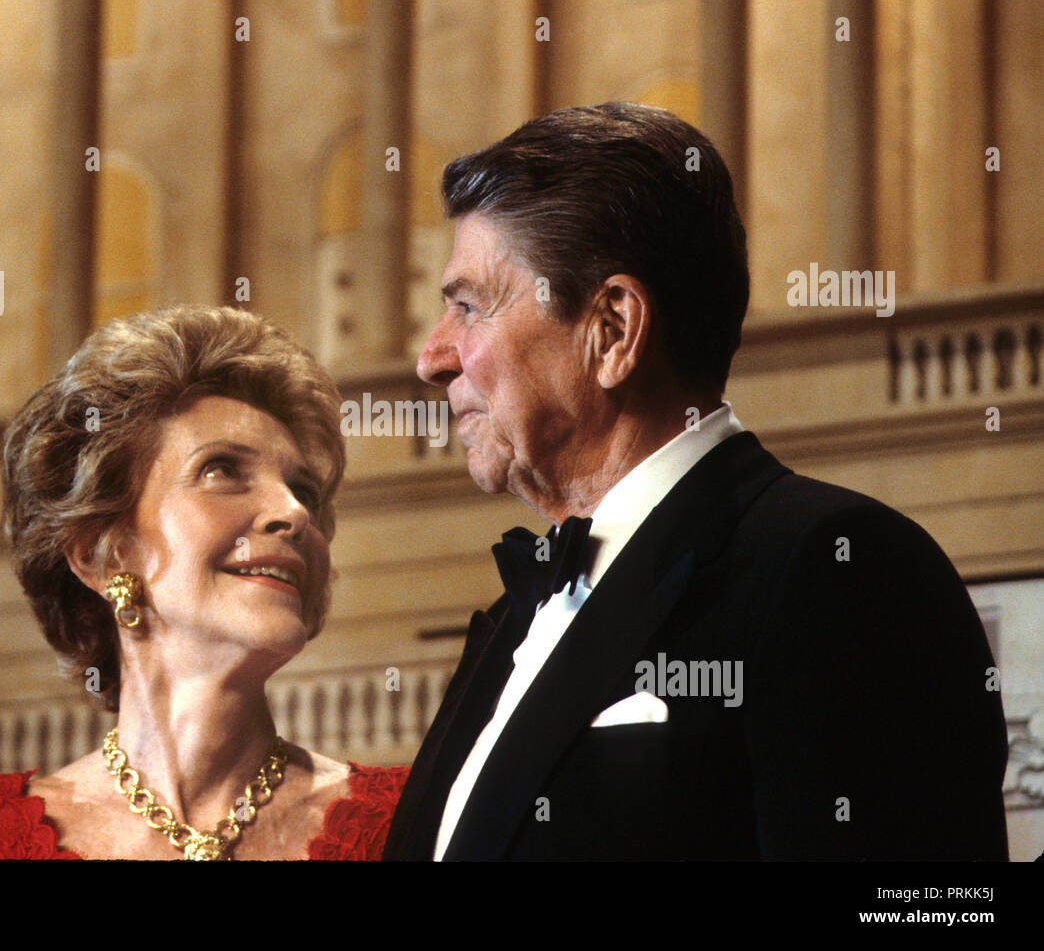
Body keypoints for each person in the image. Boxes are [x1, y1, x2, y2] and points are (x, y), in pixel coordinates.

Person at [382, 102, 1009, 860]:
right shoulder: (508, 619)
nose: (432, 356)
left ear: (612, 330)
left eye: (468, 307)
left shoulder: (840, 571)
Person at [0, 305, 407, 860]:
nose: (293, 513)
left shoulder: (409, 824)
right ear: (101, 555)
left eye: (304, 491)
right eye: (222, 470)